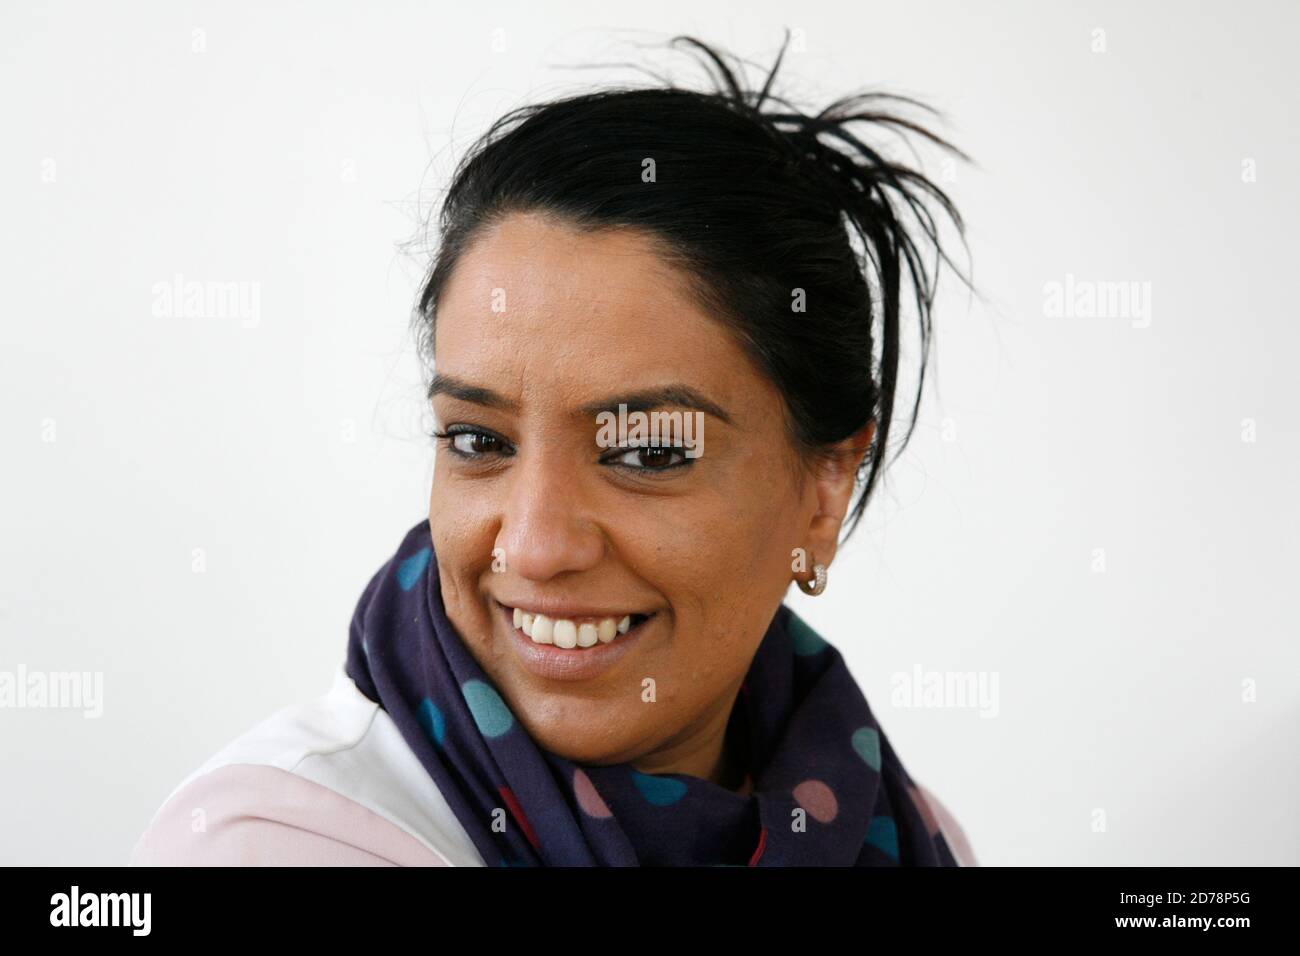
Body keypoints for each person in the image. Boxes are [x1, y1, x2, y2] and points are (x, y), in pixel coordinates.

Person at [130, 33, 977, 867]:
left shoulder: (900, 834)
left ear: (824, 492)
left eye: (646, 453)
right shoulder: (275, 846)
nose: (534, 546)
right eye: (479, 440)